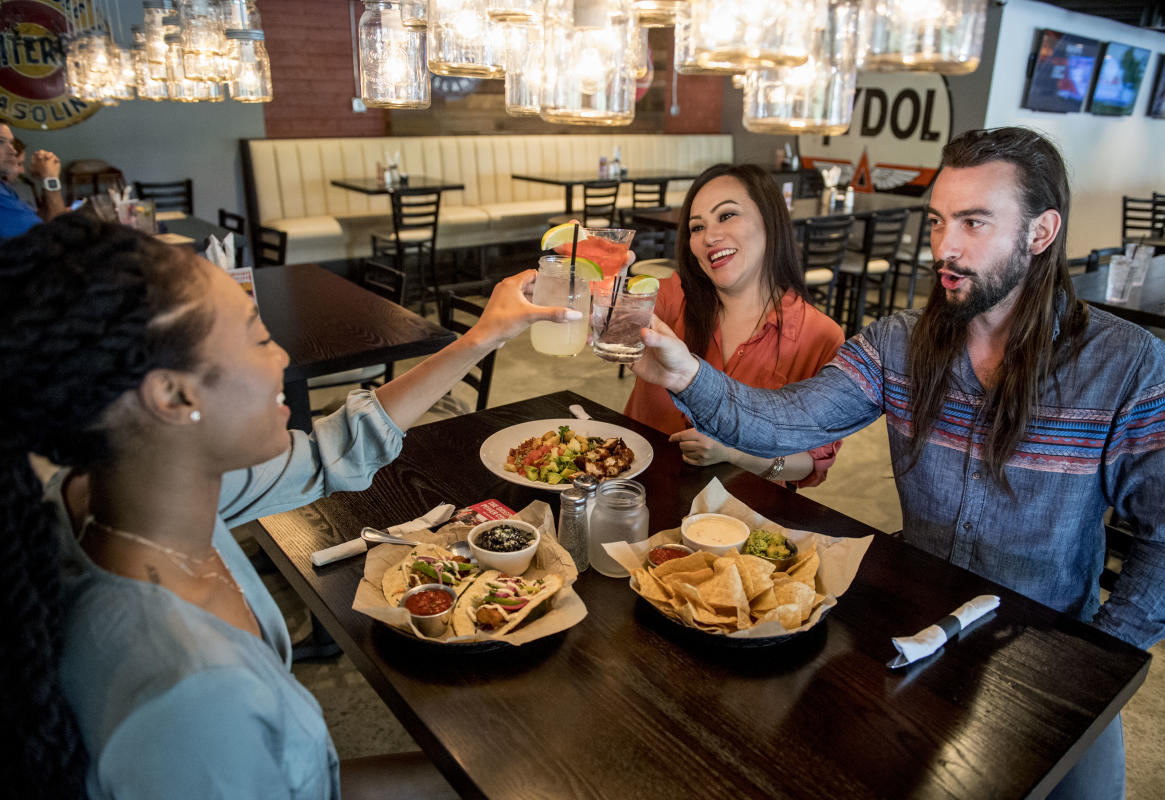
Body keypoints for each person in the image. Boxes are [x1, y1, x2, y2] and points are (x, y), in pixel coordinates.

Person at [632, 127, 1165, 799]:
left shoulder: (1127, 365)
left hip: (1052, 648)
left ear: (1041, 232)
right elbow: (782, 418)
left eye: (973, 223)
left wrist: (1094, 659)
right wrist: (688, 373)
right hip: (917, 629)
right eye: (937, 222)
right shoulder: (899, 343)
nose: (945, 248)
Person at [0, 214, 583, 799]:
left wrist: (481, 337)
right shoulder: (189, 693)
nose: (281, 357)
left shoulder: (116, 493)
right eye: (257, 336)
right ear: (173, 395)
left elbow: (332, 452)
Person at [624, 163, 843, 486]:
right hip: (639, 494)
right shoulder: (672, 298)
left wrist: (736, 452)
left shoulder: (819, 336)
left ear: (770, 221)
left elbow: (812, 463)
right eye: (697, 228)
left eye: (726, 216)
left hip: (742, 516)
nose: (710, 237)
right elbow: (612, 312)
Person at [0, 122, 65, 238]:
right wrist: (51, 178)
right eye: (0, 142)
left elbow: (38, 221)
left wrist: (44, 182)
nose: (12, 151)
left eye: (10, 142)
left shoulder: (3, 188)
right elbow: (58, 237)